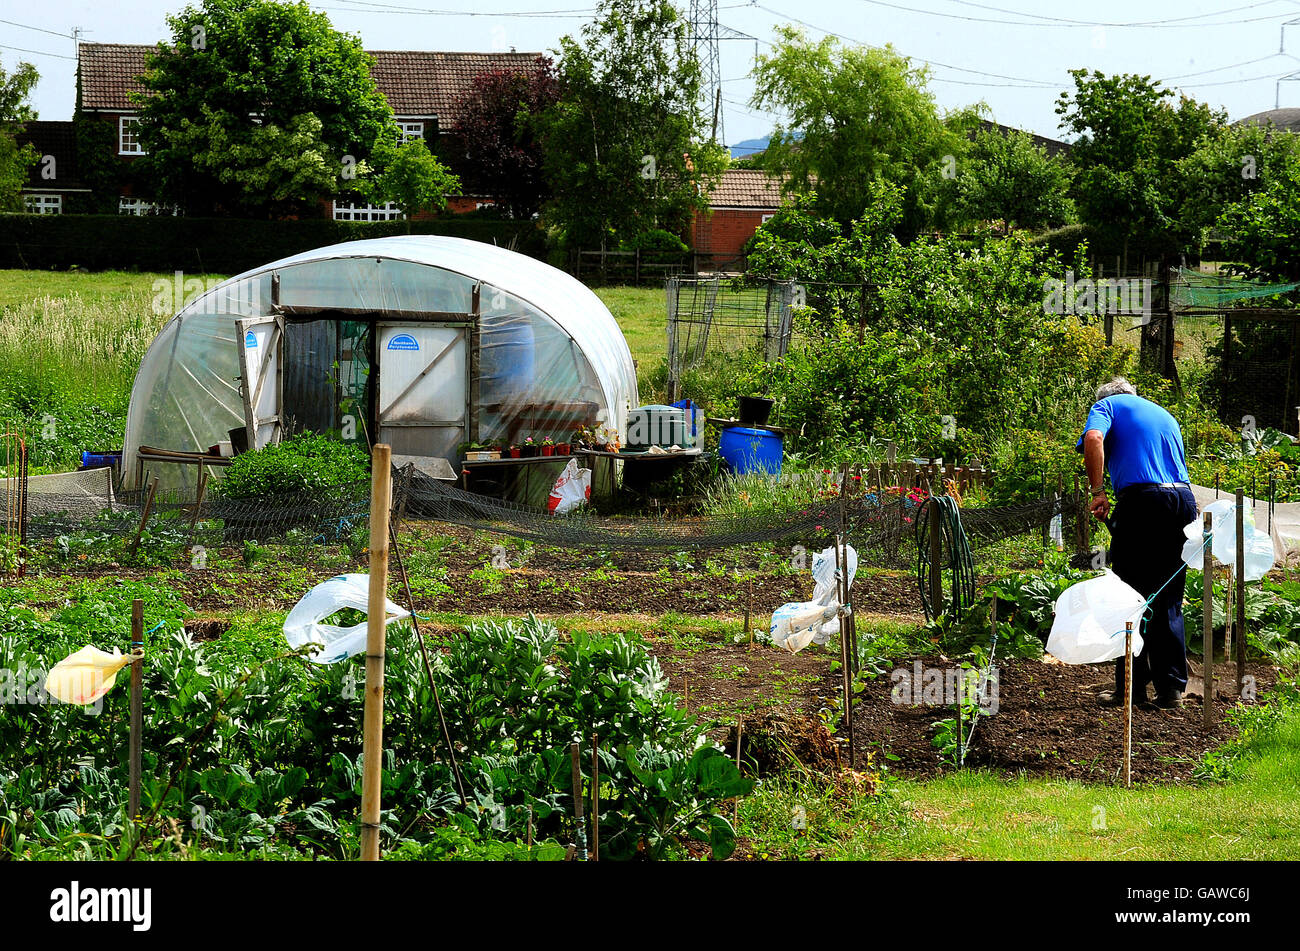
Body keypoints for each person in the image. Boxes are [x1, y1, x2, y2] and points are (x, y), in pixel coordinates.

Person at [1077, 377, 1198, 710]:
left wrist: (1099, 492)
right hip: (1183, 501)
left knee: (1129, 596)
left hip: (1143, 501)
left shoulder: (1106, 406)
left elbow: (1094, 438)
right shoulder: (1164, 415)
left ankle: (1129, 689)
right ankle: (1171, 690)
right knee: (1168, 595)